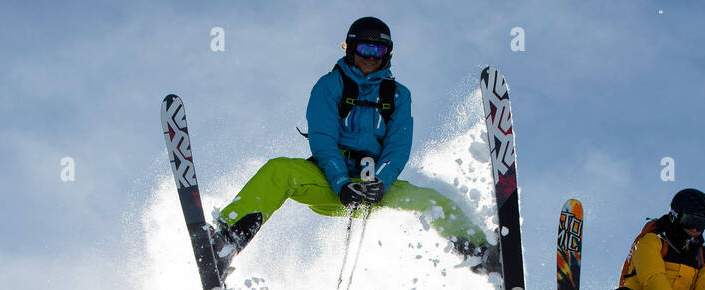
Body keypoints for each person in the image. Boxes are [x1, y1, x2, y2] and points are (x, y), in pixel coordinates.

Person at [208, 17, 500, 276]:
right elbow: (323, 139)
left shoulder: (398, 95)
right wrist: (340, 183)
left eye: (379, 51)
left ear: (388, 54)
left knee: (432, 200)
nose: (371, 57)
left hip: (375, 190)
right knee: (279, 171)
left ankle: (483, 256)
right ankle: (225, 242)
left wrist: (380, 184)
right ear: (349, 48)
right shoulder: (329, 85)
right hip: (330, 182)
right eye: (364, 49)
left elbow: (398, 148)